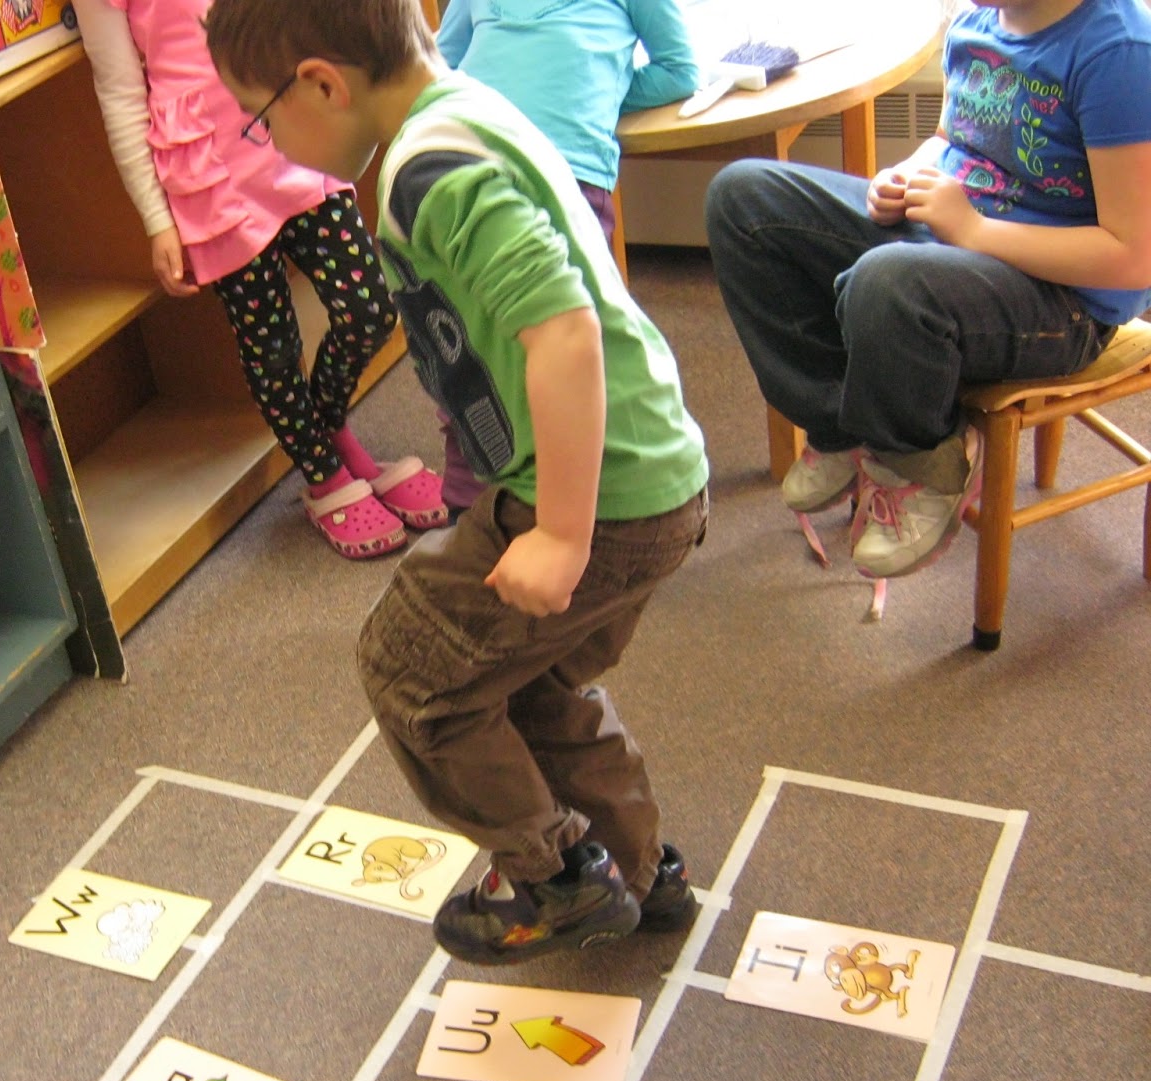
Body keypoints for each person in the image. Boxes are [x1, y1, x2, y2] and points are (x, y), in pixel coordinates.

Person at [206, 0, 711, 965]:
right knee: (529, 683)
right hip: (647, 479)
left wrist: (560, 533)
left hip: (596, 498)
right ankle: (641, 874)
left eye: (260, 118)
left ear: (322, 83)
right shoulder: (466, 106)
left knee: (410, 668)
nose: (264, 141)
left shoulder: (430, 173)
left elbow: (565, 333)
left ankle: (556, 879)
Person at [705, 0, 1151, 580]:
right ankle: (844, 427)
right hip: (956, 238)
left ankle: (923, 463)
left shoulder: (1118, 54)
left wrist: (976, 231)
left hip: (1063, 302)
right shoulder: (979, 18)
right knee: (742, 199)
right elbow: (951, 139)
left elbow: (1134, 257)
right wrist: (901, 176)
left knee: (886, 284)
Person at [74, 0, 448, 561]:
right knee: (271, 349)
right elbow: (120, 92)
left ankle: (327, 429)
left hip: (293, 129)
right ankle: (324, 473)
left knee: (369, 307)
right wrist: (157, 220)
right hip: (211, 175)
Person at [433, 0, 700, 516]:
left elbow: (679, 70)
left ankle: (572, 502)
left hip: (564, 177)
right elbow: (440, 68)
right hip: (469, 166)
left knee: (563, 342)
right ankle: (470, 499)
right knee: (467, 336)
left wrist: (602, 91)